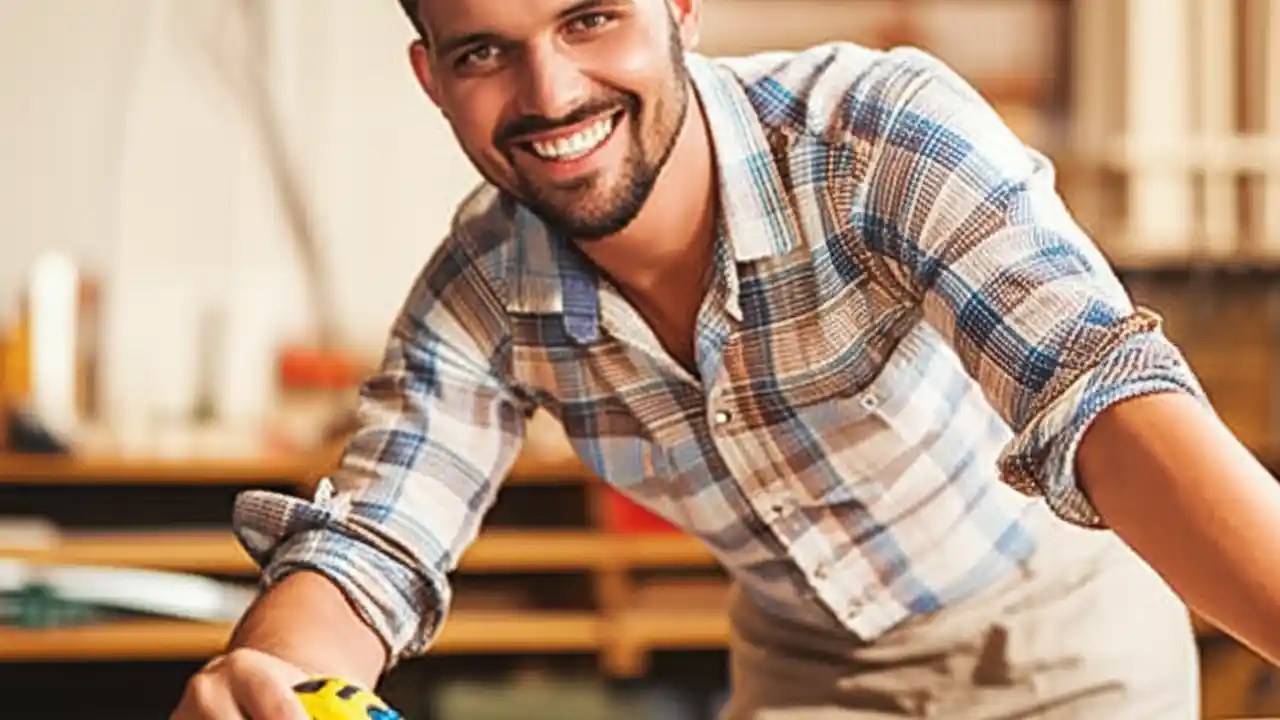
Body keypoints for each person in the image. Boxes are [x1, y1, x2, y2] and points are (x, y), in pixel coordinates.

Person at [172, 1, 1280, 717]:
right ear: (431, 78)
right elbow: (375, 545)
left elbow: (1099, 394)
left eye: (589, 19)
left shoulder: (877, 137)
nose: (550, 94)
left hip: (1062, 650)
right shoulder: (479, 291)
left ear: (678, 10)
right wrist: (268, 681)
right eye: (484, 52)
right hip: (808, 678)